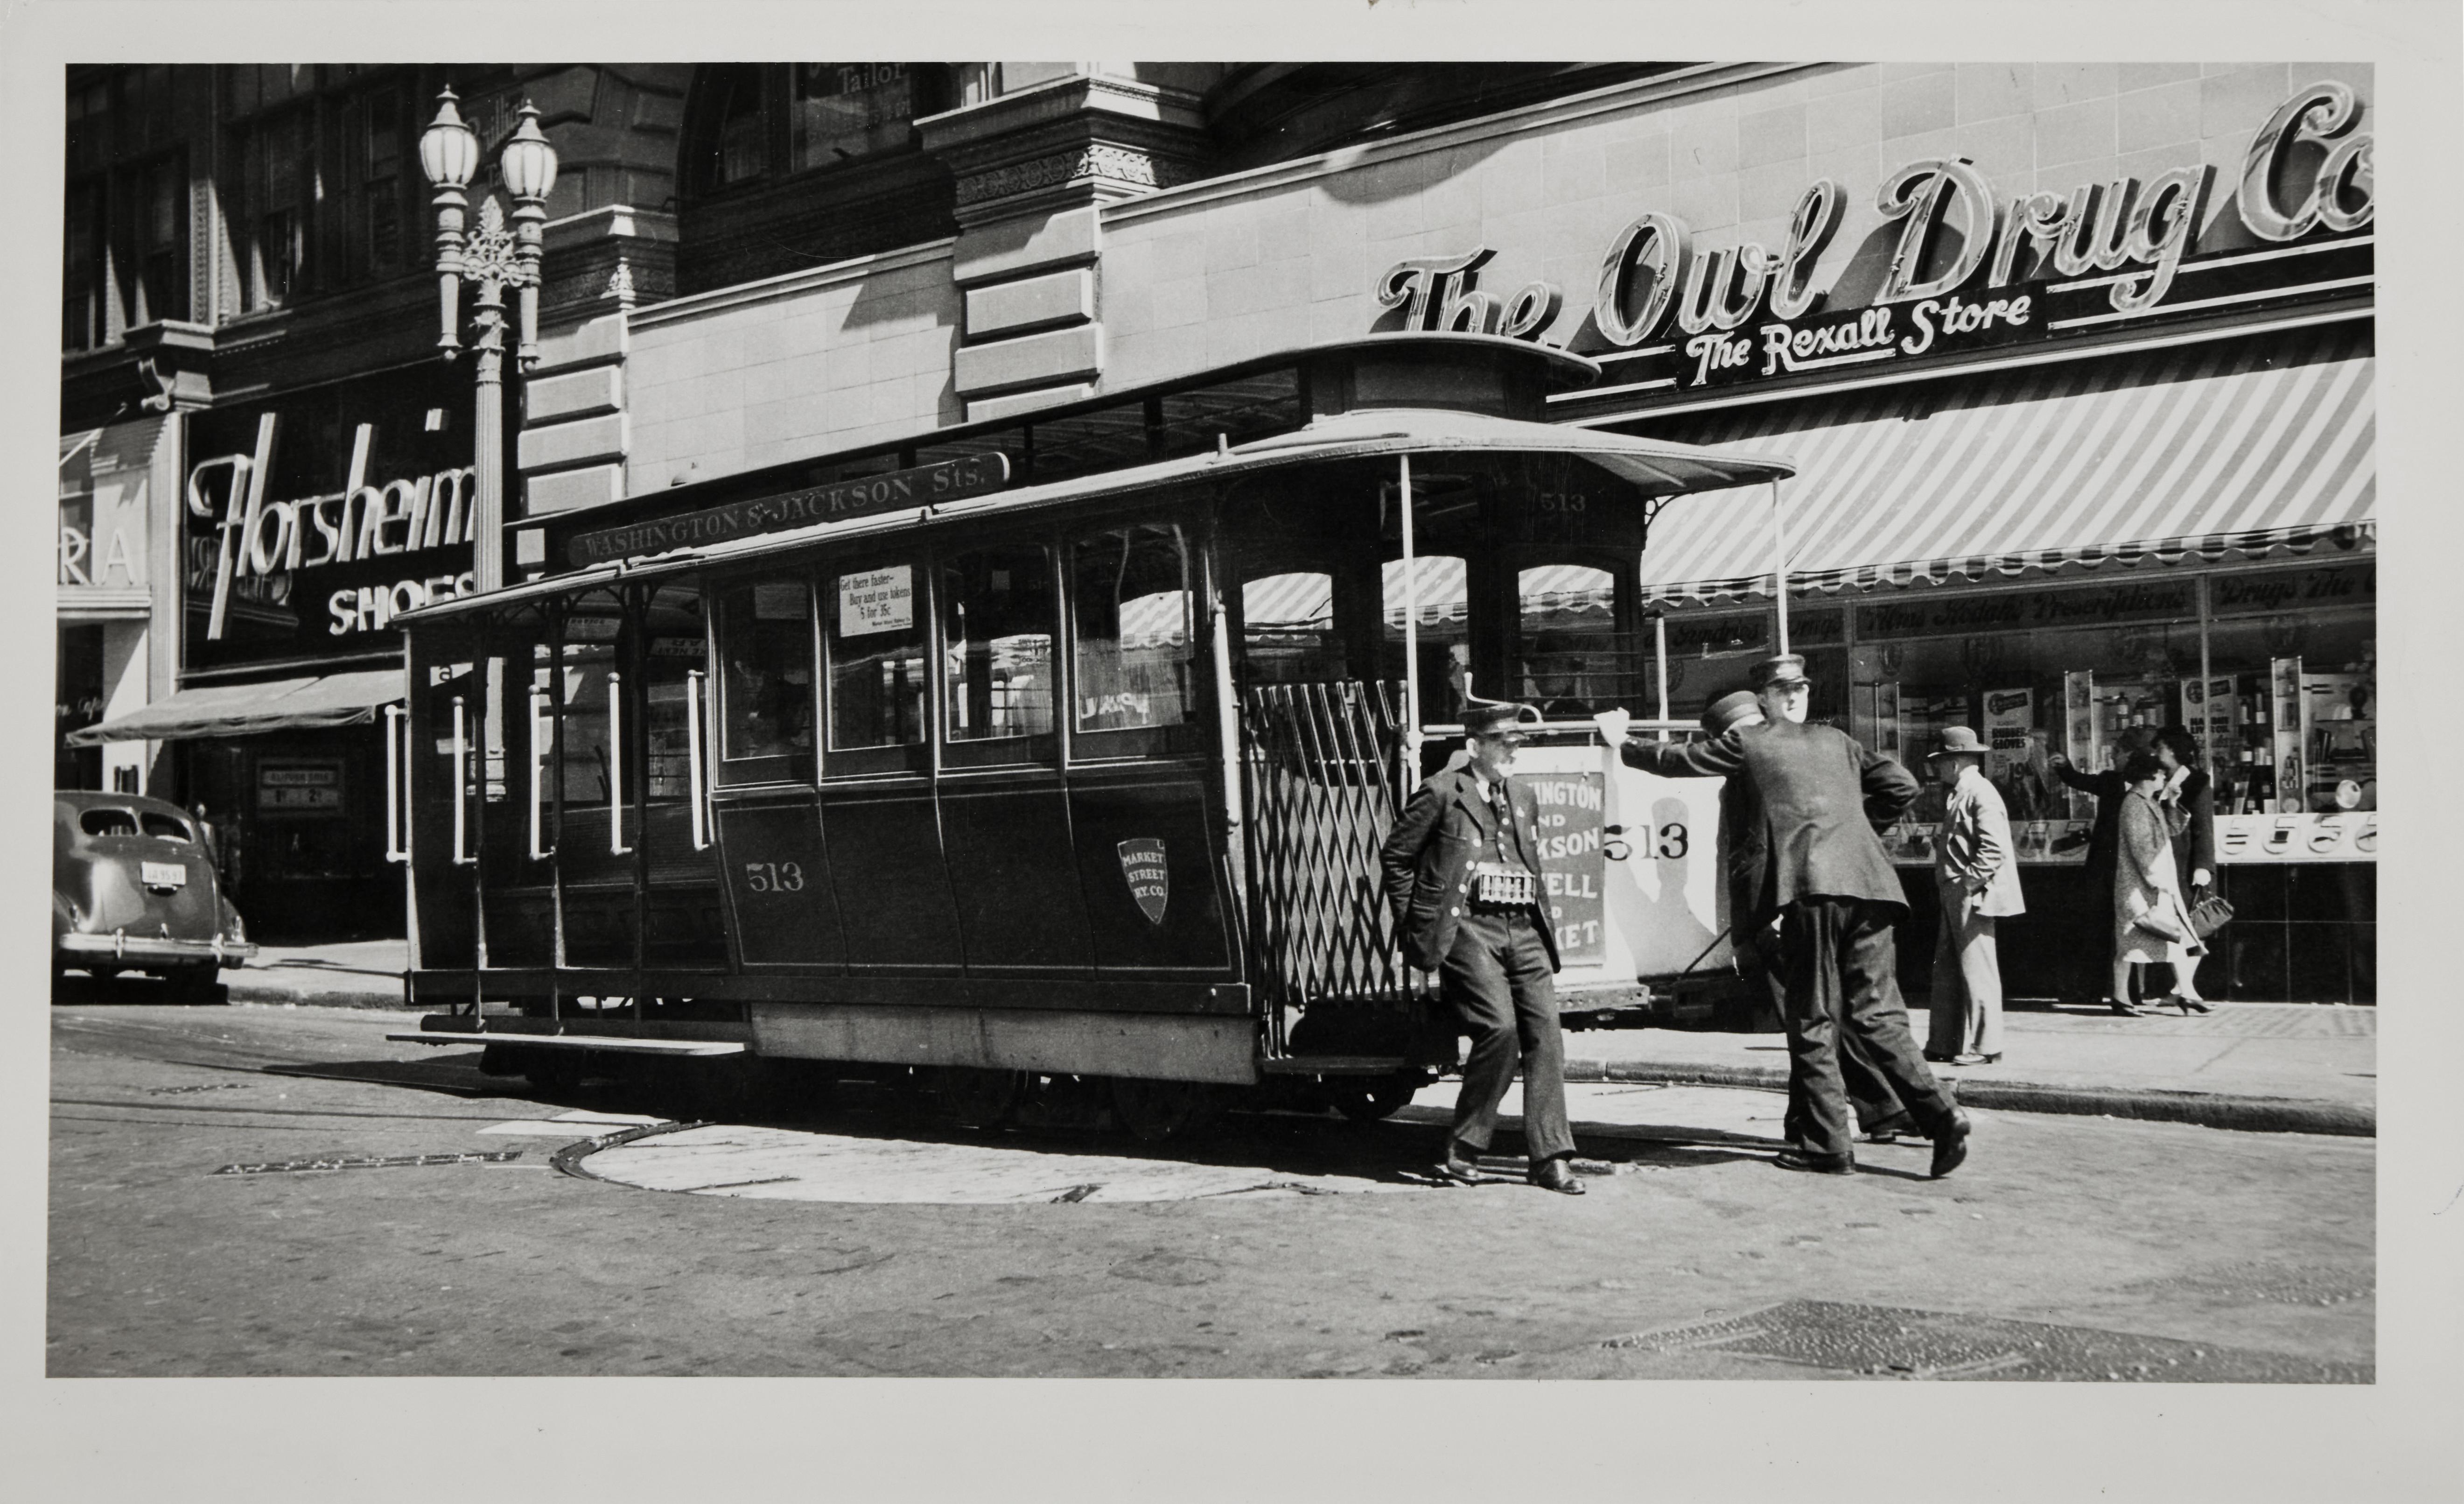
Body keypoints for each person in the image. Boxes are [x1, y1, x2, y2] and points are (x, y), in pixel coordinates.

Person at [1598, 654, 1972, 1178]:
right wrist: (1856, 838)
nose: (1792, 696)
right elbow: (1902, 786)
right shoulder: (1839, 742)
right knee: (1878, 1016)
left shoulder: (1752, 742)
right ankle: (1940, 1115)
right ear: (1777, 698)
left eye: (1796, 688)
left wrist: (1621, 743)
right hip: (1873, 889)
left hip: (1811, 892)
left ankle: (1828, 1147)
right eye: (1788, 688)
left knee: (1814, 1017)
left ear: (1765, 702)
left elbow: (1679, 760)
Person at [1690, 690, 1920, 1148]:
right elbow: (1899, 786)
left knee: (1810, 1024)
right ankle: (1861, 1114)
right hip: (1825, 901)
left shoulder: (1751, 776)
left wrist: (1757, 923)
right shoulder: (1802, 759)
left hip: (1783, 913)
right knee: (1821, 1020)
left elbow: (1749, 860)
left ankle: (1856, 1118)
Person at [1379, 700, 1585, 1195]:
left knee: (1547, 1037)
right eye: (1502, 742)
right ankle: (1465, 1147)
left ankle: (1551, 1157)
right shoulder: (1440, 793)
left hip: (1525, 929)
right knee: (1500, 1028)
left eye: (1517, 742)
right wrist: (1419, 923)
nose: (1513, 750)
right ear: (1474, 746)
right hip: (1470, 930)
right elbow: (1397, 858)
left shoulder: (1523, 795)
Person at [1924, 726, 2026, 1065]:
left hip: (1969, 893)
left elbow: (1993, 849)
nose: (1937, 769)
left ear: (1955, 761)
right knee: (1949, 971)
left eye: (1940, 762)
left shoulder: (1981, 793)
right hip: (1956, 890)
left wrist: (1968, 884)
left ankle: (1987, 1047)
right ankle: (1943, 1043)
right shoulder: (1965, 791)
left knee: (1977, 970)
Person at [2050, 724, 2156, 1014]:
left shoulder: (2146, 787)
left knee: (2123, 930)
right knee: (2106, 928)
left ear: (2132, 756)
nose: (2114, 757)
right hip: (2105, 867)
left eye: (2119, 753)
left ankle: (2128, 992)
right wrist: (2065, 768)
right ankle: (2107, 991)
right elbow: (2080, 781)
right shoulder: (2114, 781)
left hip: (2124, 869)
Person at [2114, 750, 2211, 1014]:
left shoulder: (2148, 801)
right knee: (2131, 945)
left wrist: (2171, 805)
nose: (2164, 778)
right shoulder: (2134, 804)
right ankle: (2121, 997)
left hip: (2151, 888)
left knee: (2171, 940)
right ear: (2148, 776)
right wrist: (2159, 881)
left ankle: (2187, 993)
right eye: (2160, 774)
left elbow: (2170, 831)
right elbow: (2143, 848)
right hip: (2142, 889)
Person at [2151, 724, 2217, 1012]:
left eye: (2161, 748)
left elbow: (2205, 827)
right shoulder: (2160, 780)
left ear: (2175, 750)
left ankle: (2183, 989)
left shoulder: (2198, 781)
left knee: (2194, 926)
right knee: (2182, 927)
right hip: (2168, 862)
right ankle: (2182, 989)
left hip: (2189, 863)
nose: (2157, 753)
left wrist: (2204, 866)